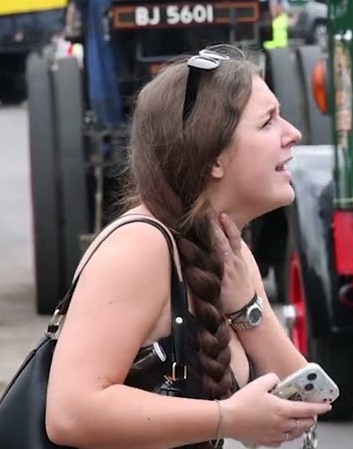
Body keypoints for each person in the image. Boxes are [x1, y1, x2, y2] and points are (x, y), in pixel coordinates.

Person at [44, 46, 331, 449]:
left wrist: (246, 308)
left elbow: (312, 398)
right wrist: (226, 419)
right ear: (214, 157)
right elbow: (70, 413)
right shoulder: (140, 247)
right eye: (268, 122)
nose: (293, 133)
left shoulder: (230, 252)